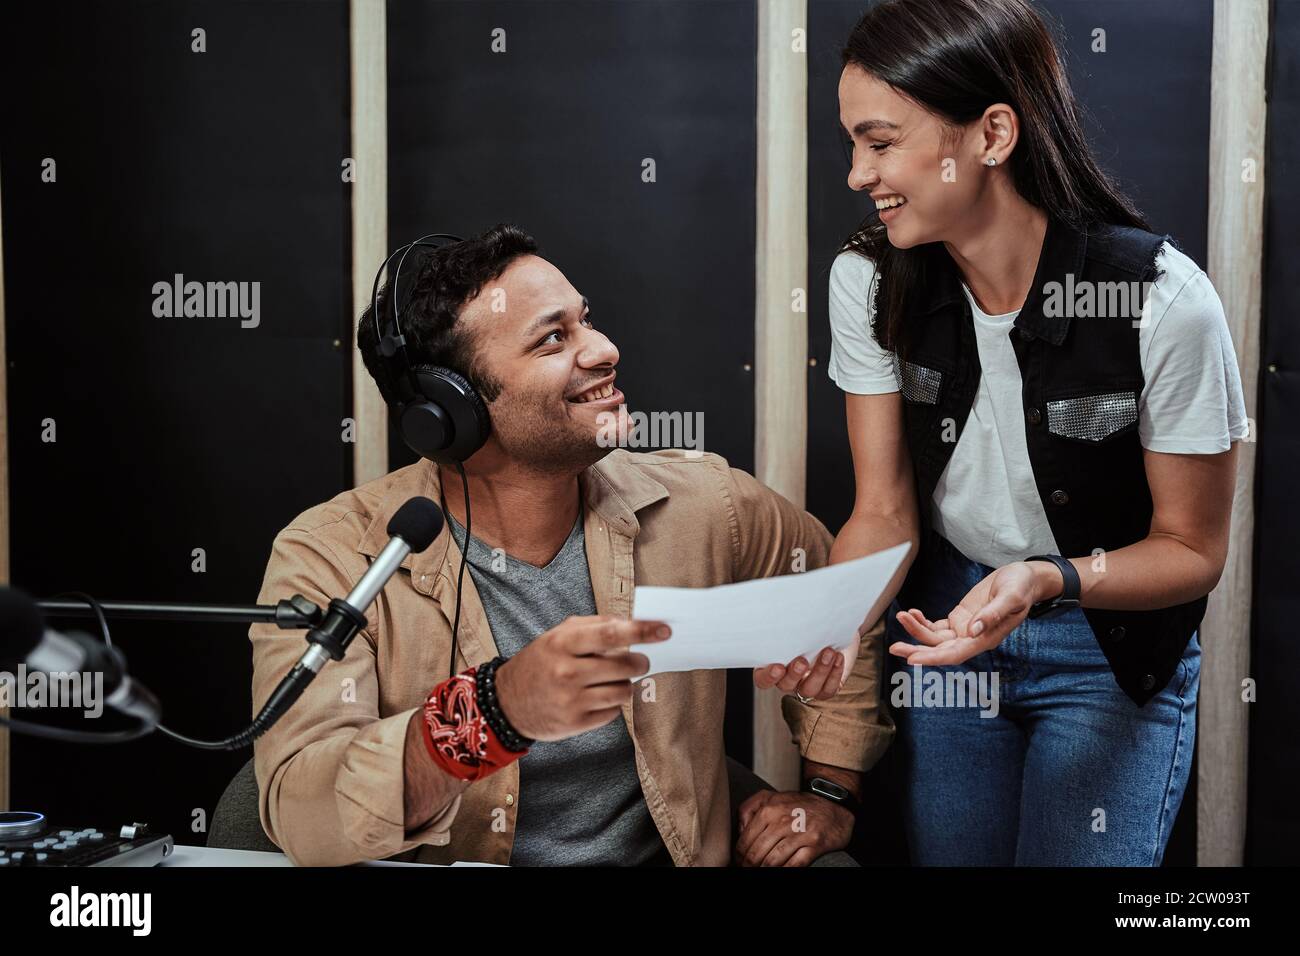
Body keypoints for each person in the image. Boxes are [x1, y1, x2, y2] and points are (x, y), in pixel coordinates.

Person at [248, 224, 893, 866]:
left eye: (588, 321)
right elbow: (305, 810)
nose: (606, 349)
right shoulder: (334, 558)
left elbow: (848, 597)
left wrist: (829, 791)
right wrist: (494, 714)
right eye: (554, 338)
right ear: (451, 410)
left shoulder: (706, 504)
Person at [819, 0, 1247, 865]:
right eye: (853, 144)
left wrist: (1046, 579)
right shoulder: (866, 279)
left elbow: (1192, 551)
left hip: (1104, 649)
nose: (859, 174)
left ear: (992, 134)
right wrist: (821, 624)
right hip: (945, 630)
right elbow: (883, 513)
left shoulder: (1164, 299)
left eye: (881, 141)